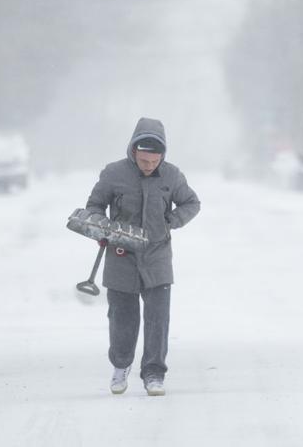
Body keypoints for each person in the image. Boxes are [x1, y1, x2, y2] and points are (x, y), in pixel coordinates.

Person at [85, 117, 200, 397]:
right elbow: (95, 206)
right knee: (122, 317)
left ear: (162, 157)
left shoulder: (172, 176)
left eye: (153, 162)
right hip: (120, 255)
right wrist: (104, 226)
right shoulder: (114, 173)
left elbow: (191, 203)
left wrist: (169, 221)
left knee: (158, 319)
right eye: (143, 161)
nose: (148, 166)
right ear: (134, 152)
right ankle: (121, 366)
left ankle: (154, 373)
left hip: (157, 257)